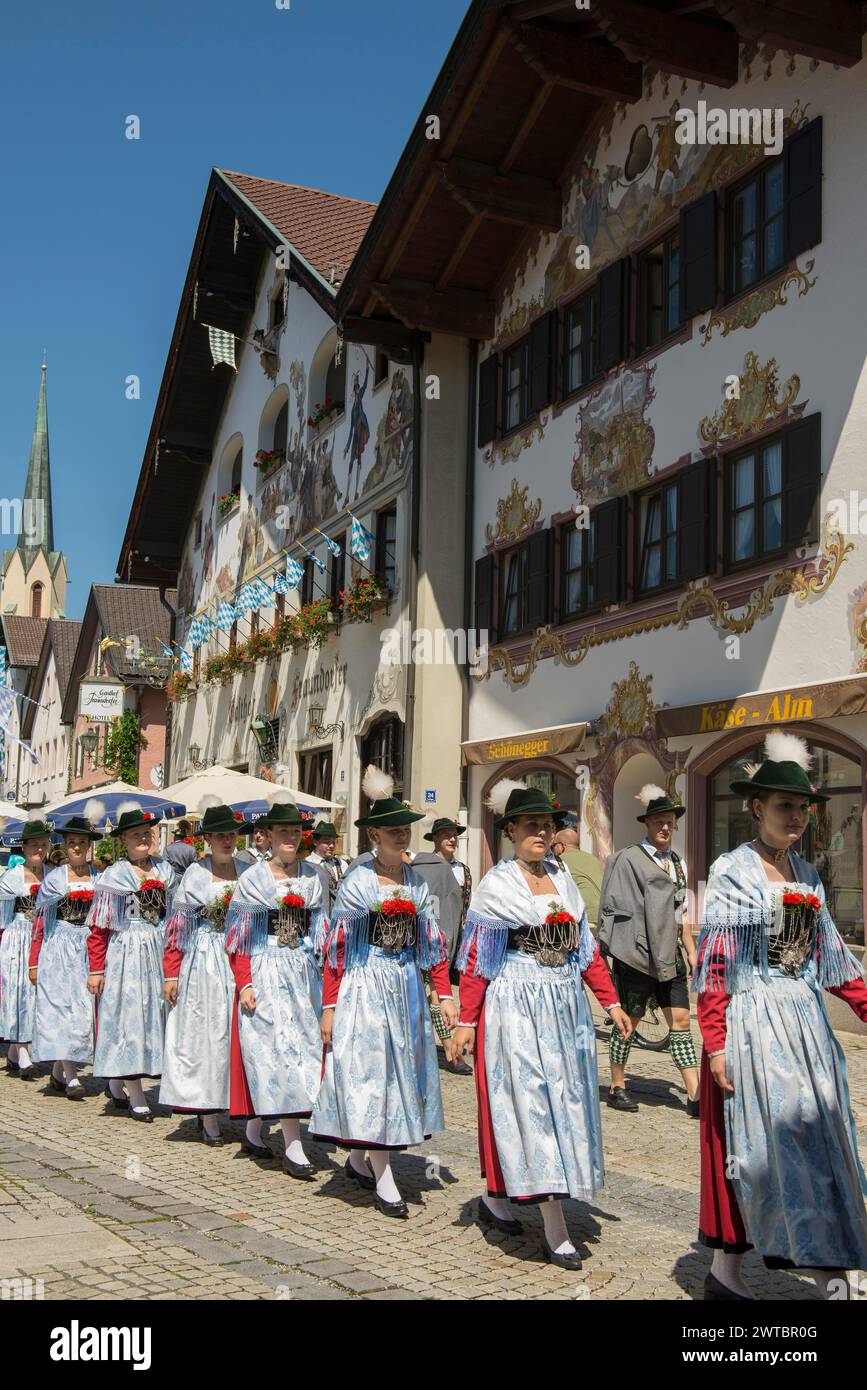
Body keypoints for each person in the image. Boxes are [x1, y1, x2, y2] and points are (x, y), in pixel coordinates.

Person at [694, 732, 867, 1301]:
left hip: (804, 1026)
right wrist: (715, 1042)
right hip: (752, 1024)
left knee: (816, 1138)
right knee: (765, 1150)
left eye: (802, 807)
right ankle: (797, 1273)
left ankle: (818, 1268)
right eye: (784, 806)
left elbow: (830, 957)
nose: (795, 816)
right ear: (757, 808)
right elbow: (714, 964)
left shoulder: (808, 876)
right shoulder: (731, 873)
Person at [450, 782, 632, 1268]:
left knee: (565, 1103)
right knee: (530, 1104)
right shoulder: (497, 884)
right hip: (516, 1004)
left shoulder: (564, 877)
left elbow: (585, 949)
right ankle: (554, 1224)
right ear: (510, 830)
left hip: (563, 1008)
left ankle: (496, 1196)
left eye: (546, 825)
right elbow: (476, 962)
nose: (541, 832)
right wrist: (467, 1020)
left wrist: (611, 1003)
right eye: (531, 825)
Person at [309, 766, 455, 1217]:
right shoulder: (357, 882)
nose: (402, 837)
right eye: (393, 830)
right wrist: (329, 1006)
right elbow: (335, 952)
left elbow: (431, 944)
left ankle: (359, 1157)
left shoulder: (416, 882)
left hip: (406, 986)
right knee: (373, 1076)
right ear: (374, 834)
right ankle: (384, 1174)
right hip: (366, 984)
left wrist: (443, 994)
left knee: (400, 1076)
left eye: (406, 829)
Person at [225, 800, 325, 1177]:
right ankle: (293, 1146)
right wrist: (245, 981)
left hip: (302, 969)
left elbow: (321, 930)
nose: (290, 837)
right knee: (277, 1054)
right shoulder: (253, 879)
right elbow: (238, 939)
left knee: (305, 1050)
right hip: (266, 968)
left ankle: (254, 1131)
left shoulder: (314, 877)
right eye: (282, 831)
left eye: (295, 831)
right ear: (267, 837)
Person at [597, 785, 699, 1115]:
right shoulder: (628, 859)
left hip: (671, 955)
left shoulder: (678, 864)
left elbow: (681, 910)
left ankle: (695, 1095)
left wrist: (691, 949)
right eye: (658, 822)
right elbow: (615, 906)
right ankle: (617, 1086)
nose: (664, 827)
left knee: (681, 1021)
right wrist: (620, 947)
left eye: (669, 822)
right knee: (629, 1021)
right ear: (647, 824)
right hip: (638, 955)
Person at [160, 806, 251, 1145]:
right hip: (206, 959)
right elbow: (177, 930)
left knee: (239, 1031)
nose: (227, 840)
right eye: (220, 835)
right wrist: (171, 974)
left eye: (231, 835)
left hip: (241, 956)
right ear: (208, 839)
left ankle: (240, 1103)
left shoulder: (249, 870)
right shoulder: (196, 875)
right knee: (208, 1034)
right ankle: (207, 1111)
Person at [85, 804, 177, 1121]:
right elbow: (98, 929)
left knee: (154, 1016)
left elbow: (176, 916)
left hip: (159, 949)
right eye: (135, 834)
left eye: (146, 833)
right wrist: (96, 969)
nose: (142, 838)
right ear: (123, 839)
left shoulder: (165, 871)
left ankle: (118, 1078)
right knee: (129, 1020)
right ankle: (135, 1091)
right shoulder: (114, 876)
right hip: (126, 952)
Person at [28, 814, 102, 1098]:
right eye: (71, 843)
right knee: (61, 1011)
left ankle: (59, 1073)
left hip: (88, 946)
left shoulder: (99, 878)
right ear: (65, 846)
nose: (77, 848)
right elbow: (40, 923)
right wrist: (34, 961)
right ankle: (72, 1076)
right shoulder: (55, 880)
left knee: (82, 1012)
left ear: (89, 846)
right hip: (58, 947)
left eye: (81, 843)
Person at [0, 820, 51, 1078]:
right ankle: (23, 1054)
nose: (39, 849)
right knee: (19, 992)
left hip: (44, 940)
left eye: (43, 844)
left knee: (37, 996)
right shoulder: (12, 876)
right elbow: (3, 916)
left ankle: (14, 1051)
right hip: (19, 937)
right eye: (34, 844)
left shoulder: (53, 874)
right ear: (24, 847)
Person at [422, 816, 473, 1075]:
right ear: (435, 839)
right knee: (436, 997)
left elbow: (466, 905)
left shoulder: (463, 869)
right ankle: (452, 1053)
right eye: (445, 834)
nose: (452, 838)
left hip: (455, 938)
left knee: (442, 995)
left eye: (454, 834)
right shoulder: (423, 866)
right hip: (430, 940)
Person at [552, 827, 603, 930]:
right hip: (601, 916)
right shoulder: (592, 858)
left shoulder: (559, 861)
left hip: (585, 918)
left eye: (553, 846)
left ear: (562, 845)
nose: (552, 850)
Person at [307, 821, 349, 894]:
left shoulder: (342, 863)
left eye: (333, 842)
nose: (332, 846)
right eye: (327, 842)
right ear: (315, 842)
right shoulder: (306, 864)